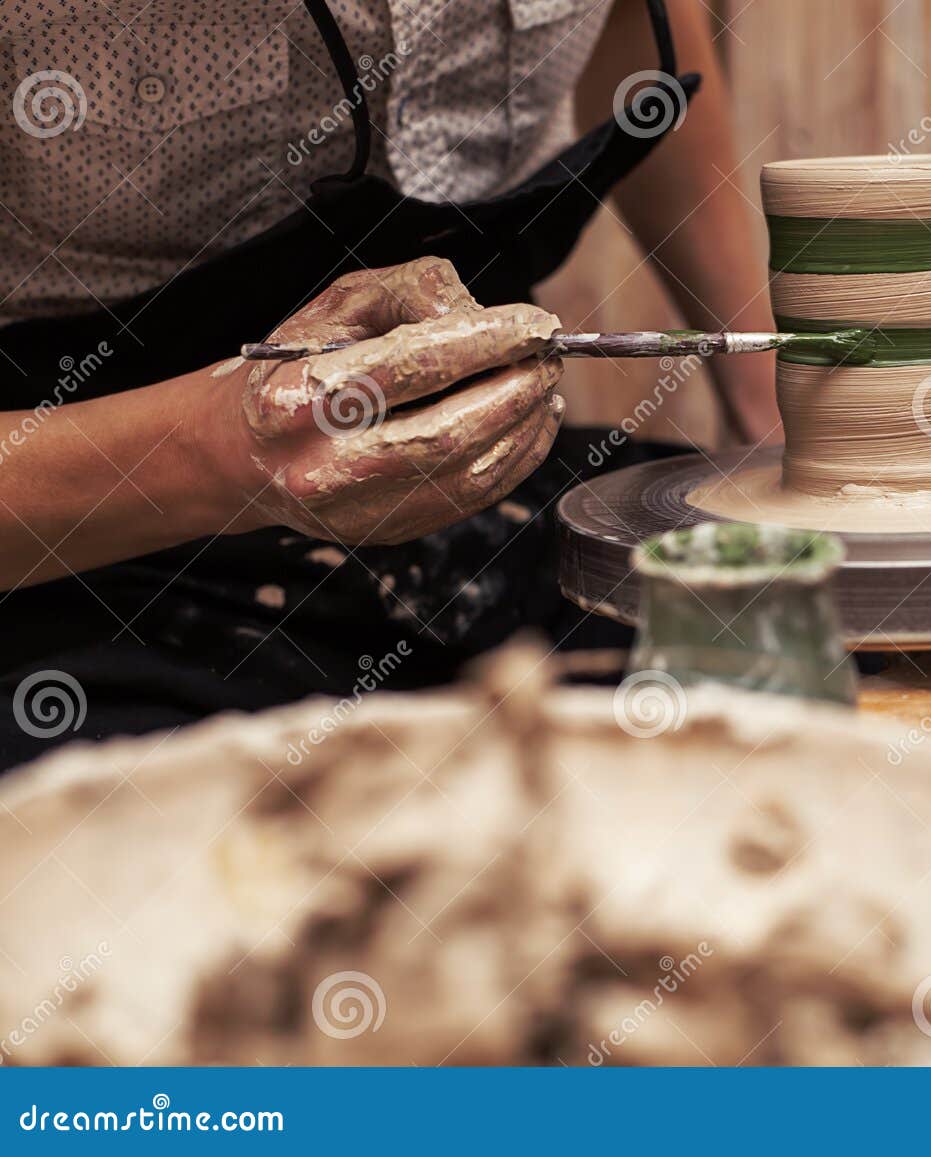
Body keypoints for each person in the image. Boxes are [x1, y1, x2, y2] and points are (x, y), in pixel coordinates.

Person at [0, 0, 775, 769]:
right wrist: (226, 447)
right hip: (87, 525)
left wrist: (769, 406)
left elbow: (632, 21)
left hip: (477, 480)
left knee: (795, 664)